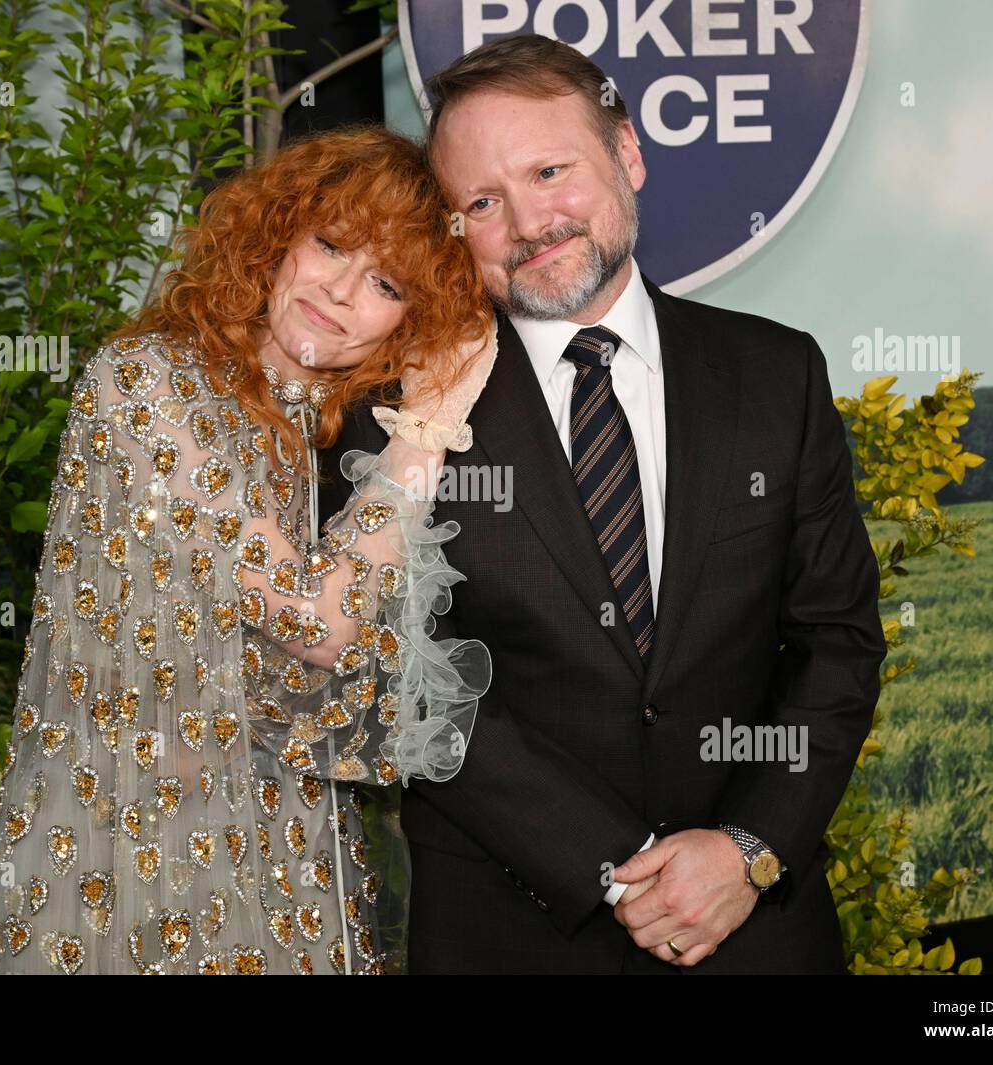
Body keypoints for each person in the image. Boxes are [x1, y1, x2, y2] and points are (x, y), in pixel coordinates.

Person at [322, 34, 887, 974]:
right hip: (512, 930)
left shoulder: (775, 373)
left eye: (551, 170)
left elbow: (838, 643)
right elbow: (397, 671)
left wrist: (745, 848)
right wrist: (622, 874)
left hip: (755, 930)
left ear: (628, 154)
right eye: (484, 202)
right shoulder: (396, 408)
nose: (531, 223)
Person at [0, 125, 497, 974]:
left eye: (385, 282)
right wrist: (425, 435)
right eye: (329, 242)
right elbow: (315, 625)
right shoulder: (149, 380)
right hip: (129, 867)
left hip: (293, 871)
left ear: (415, 321)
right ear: (276, 234)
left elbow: (302, 699)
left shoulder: (318, 442)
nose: (337, 289)